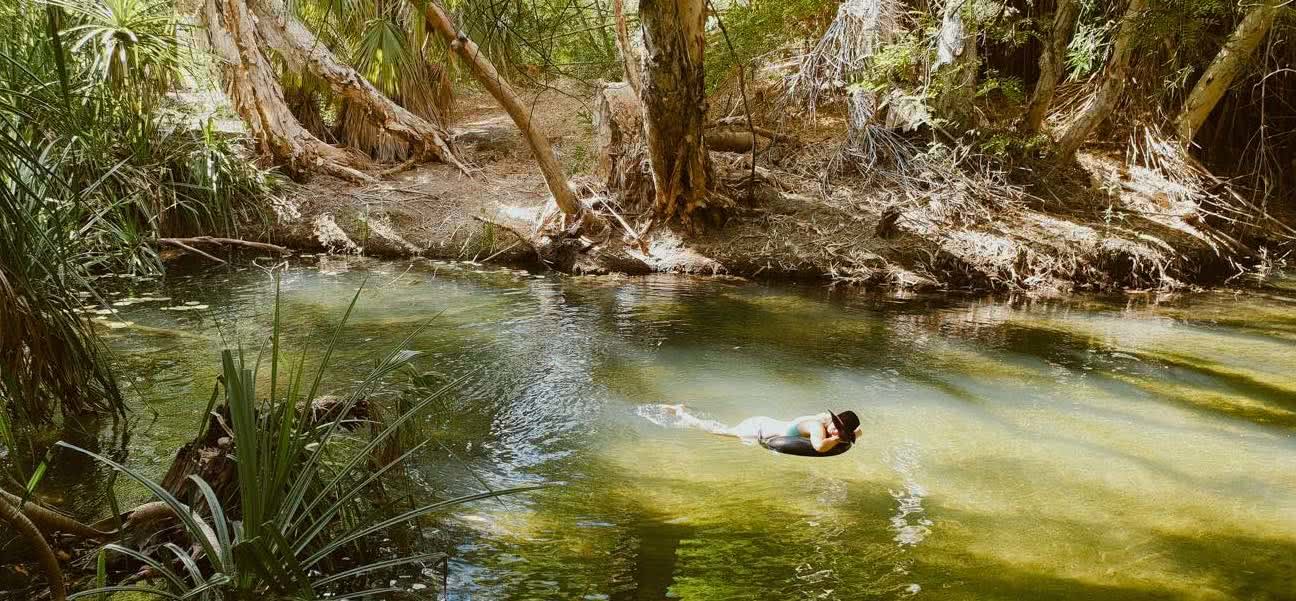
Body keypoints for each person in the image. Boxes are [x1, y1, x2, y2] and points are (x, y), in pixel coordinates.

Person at [663, 405, 862, 454]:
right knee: (718, 431)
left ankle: (683, 411)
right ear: (832, 423)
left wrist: (850, 435)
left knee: (721, 429)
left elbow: (859, 430)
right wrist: (839, 440)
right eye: (836, 429)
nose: (836, 433)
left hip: (768, 424)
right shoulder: (816, 426)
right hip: (758, 429)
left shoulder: (827, 422)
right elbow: (819, 447)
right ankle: (680, 413)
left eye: (840, 432)